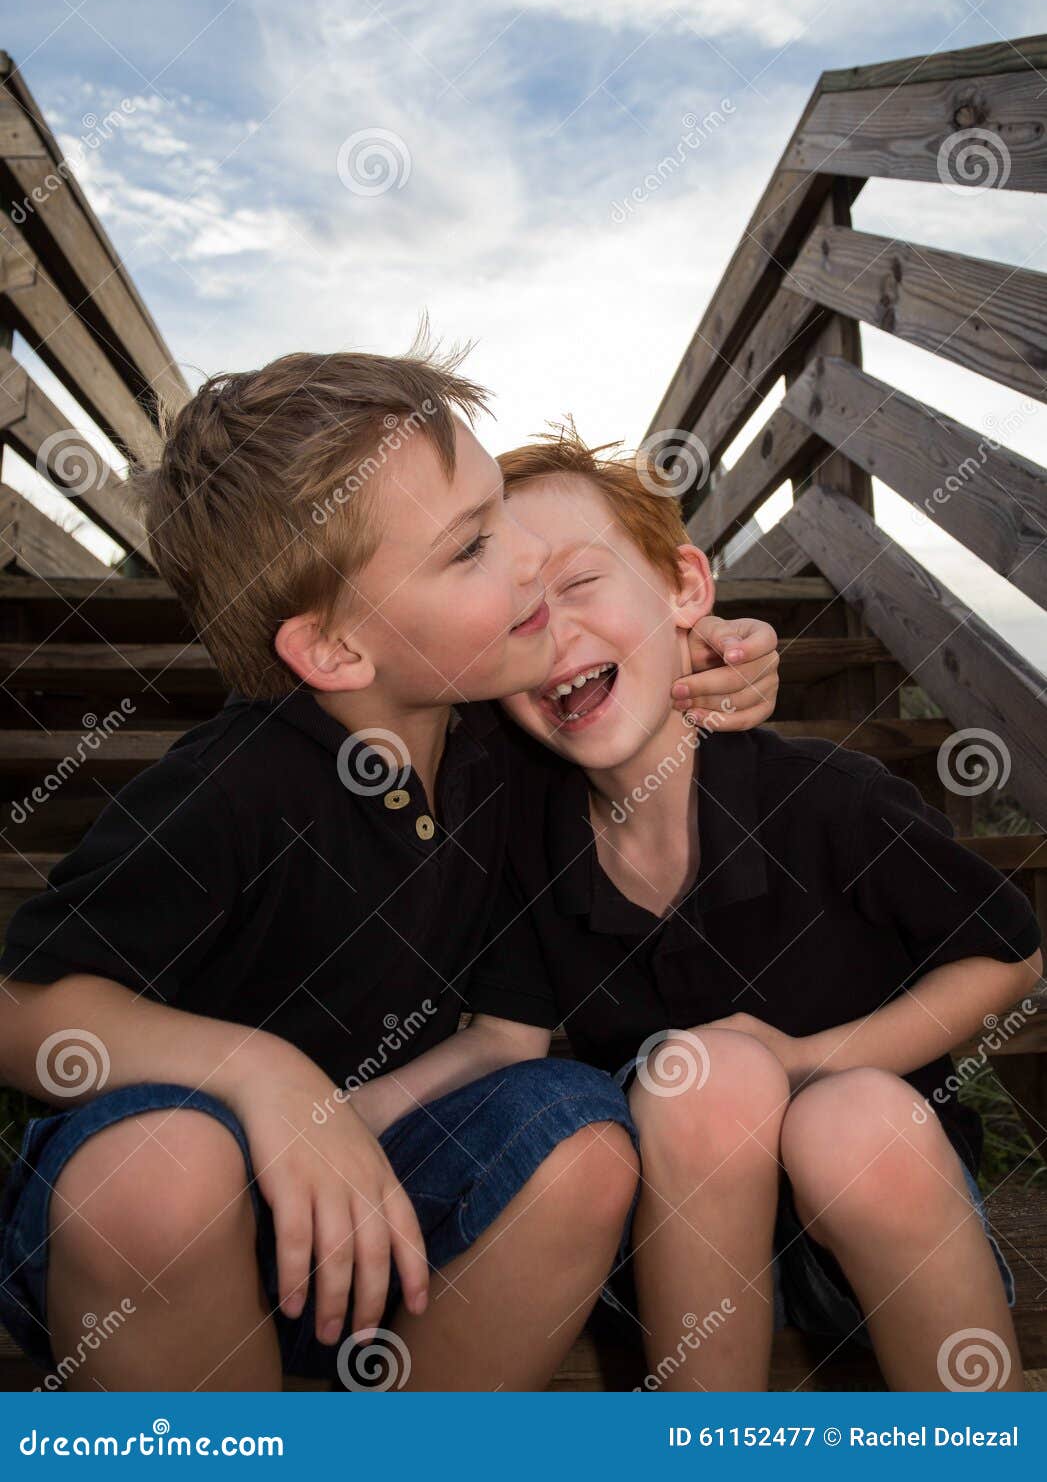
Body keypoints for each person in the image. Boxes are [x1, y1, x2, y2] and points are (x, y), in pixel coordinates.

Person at [0, 333, 781, 1391]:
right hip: (167, 1231)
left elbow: (633, 667)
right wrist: (268, 1078)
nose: (526, 558)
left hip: (393, 1211)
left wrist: (715, 650)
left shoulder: (509, 743)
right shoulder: (238, 784)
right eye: (469, 549)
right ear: (334, 652)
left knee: (580, 1142)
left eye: (499, 508)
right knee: (162, 1178)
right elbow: (21, 1014)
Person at [455, 426, 1043, 1392]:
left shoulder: (825, 795)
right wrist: (329, 1119)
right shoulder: (530, 831)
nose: (552, 632)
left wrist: (806, 1061)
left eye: (577, 582)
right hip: (663, 1242)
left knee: (846, 1115)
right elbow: (504, 1038)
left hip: (867, 1212)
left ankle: (975, 1445)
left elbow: (1008, 956)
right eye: (514, 617)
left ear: (685, 588)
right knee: (706, 1076)